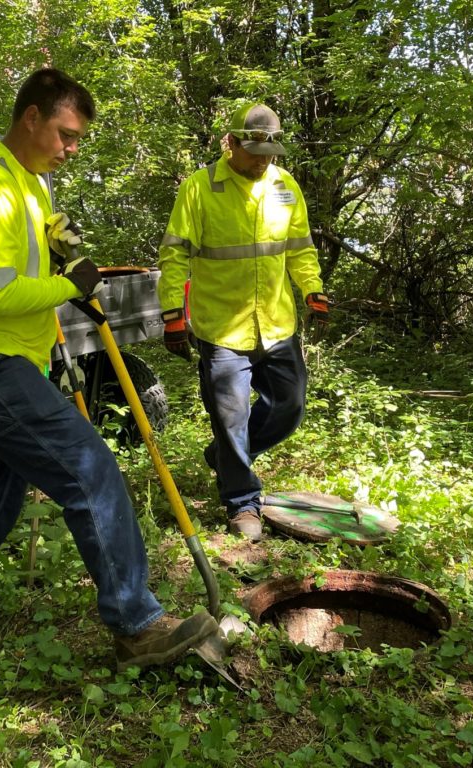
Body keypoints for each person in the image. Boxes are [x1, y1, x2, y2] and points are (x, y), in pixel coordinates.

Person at [0, 68, 218, 677]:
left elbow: (44, 234)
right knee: (89, 469)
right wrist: (70, 284)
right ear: (32, 118)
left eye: (79, 141)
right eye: (66, 135)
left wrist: (71, 247)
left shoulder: (29, 185)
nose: (71, 149)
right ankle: (137, 625)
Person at [157, 102, 329, 542]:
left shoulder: (285, 186)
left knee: (289, 407)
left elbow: (300, 247)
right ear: (230, 143)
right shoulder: (200, 189)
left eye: (269, 153)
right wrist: (173, 313)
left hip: (276, 323)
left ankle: (224, 456)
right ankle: (242, 503)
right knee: (230, 418)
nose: (261, 161)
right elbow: (175, 254)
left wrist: (311, 287)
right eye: (253, 152)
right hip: (222, 330)